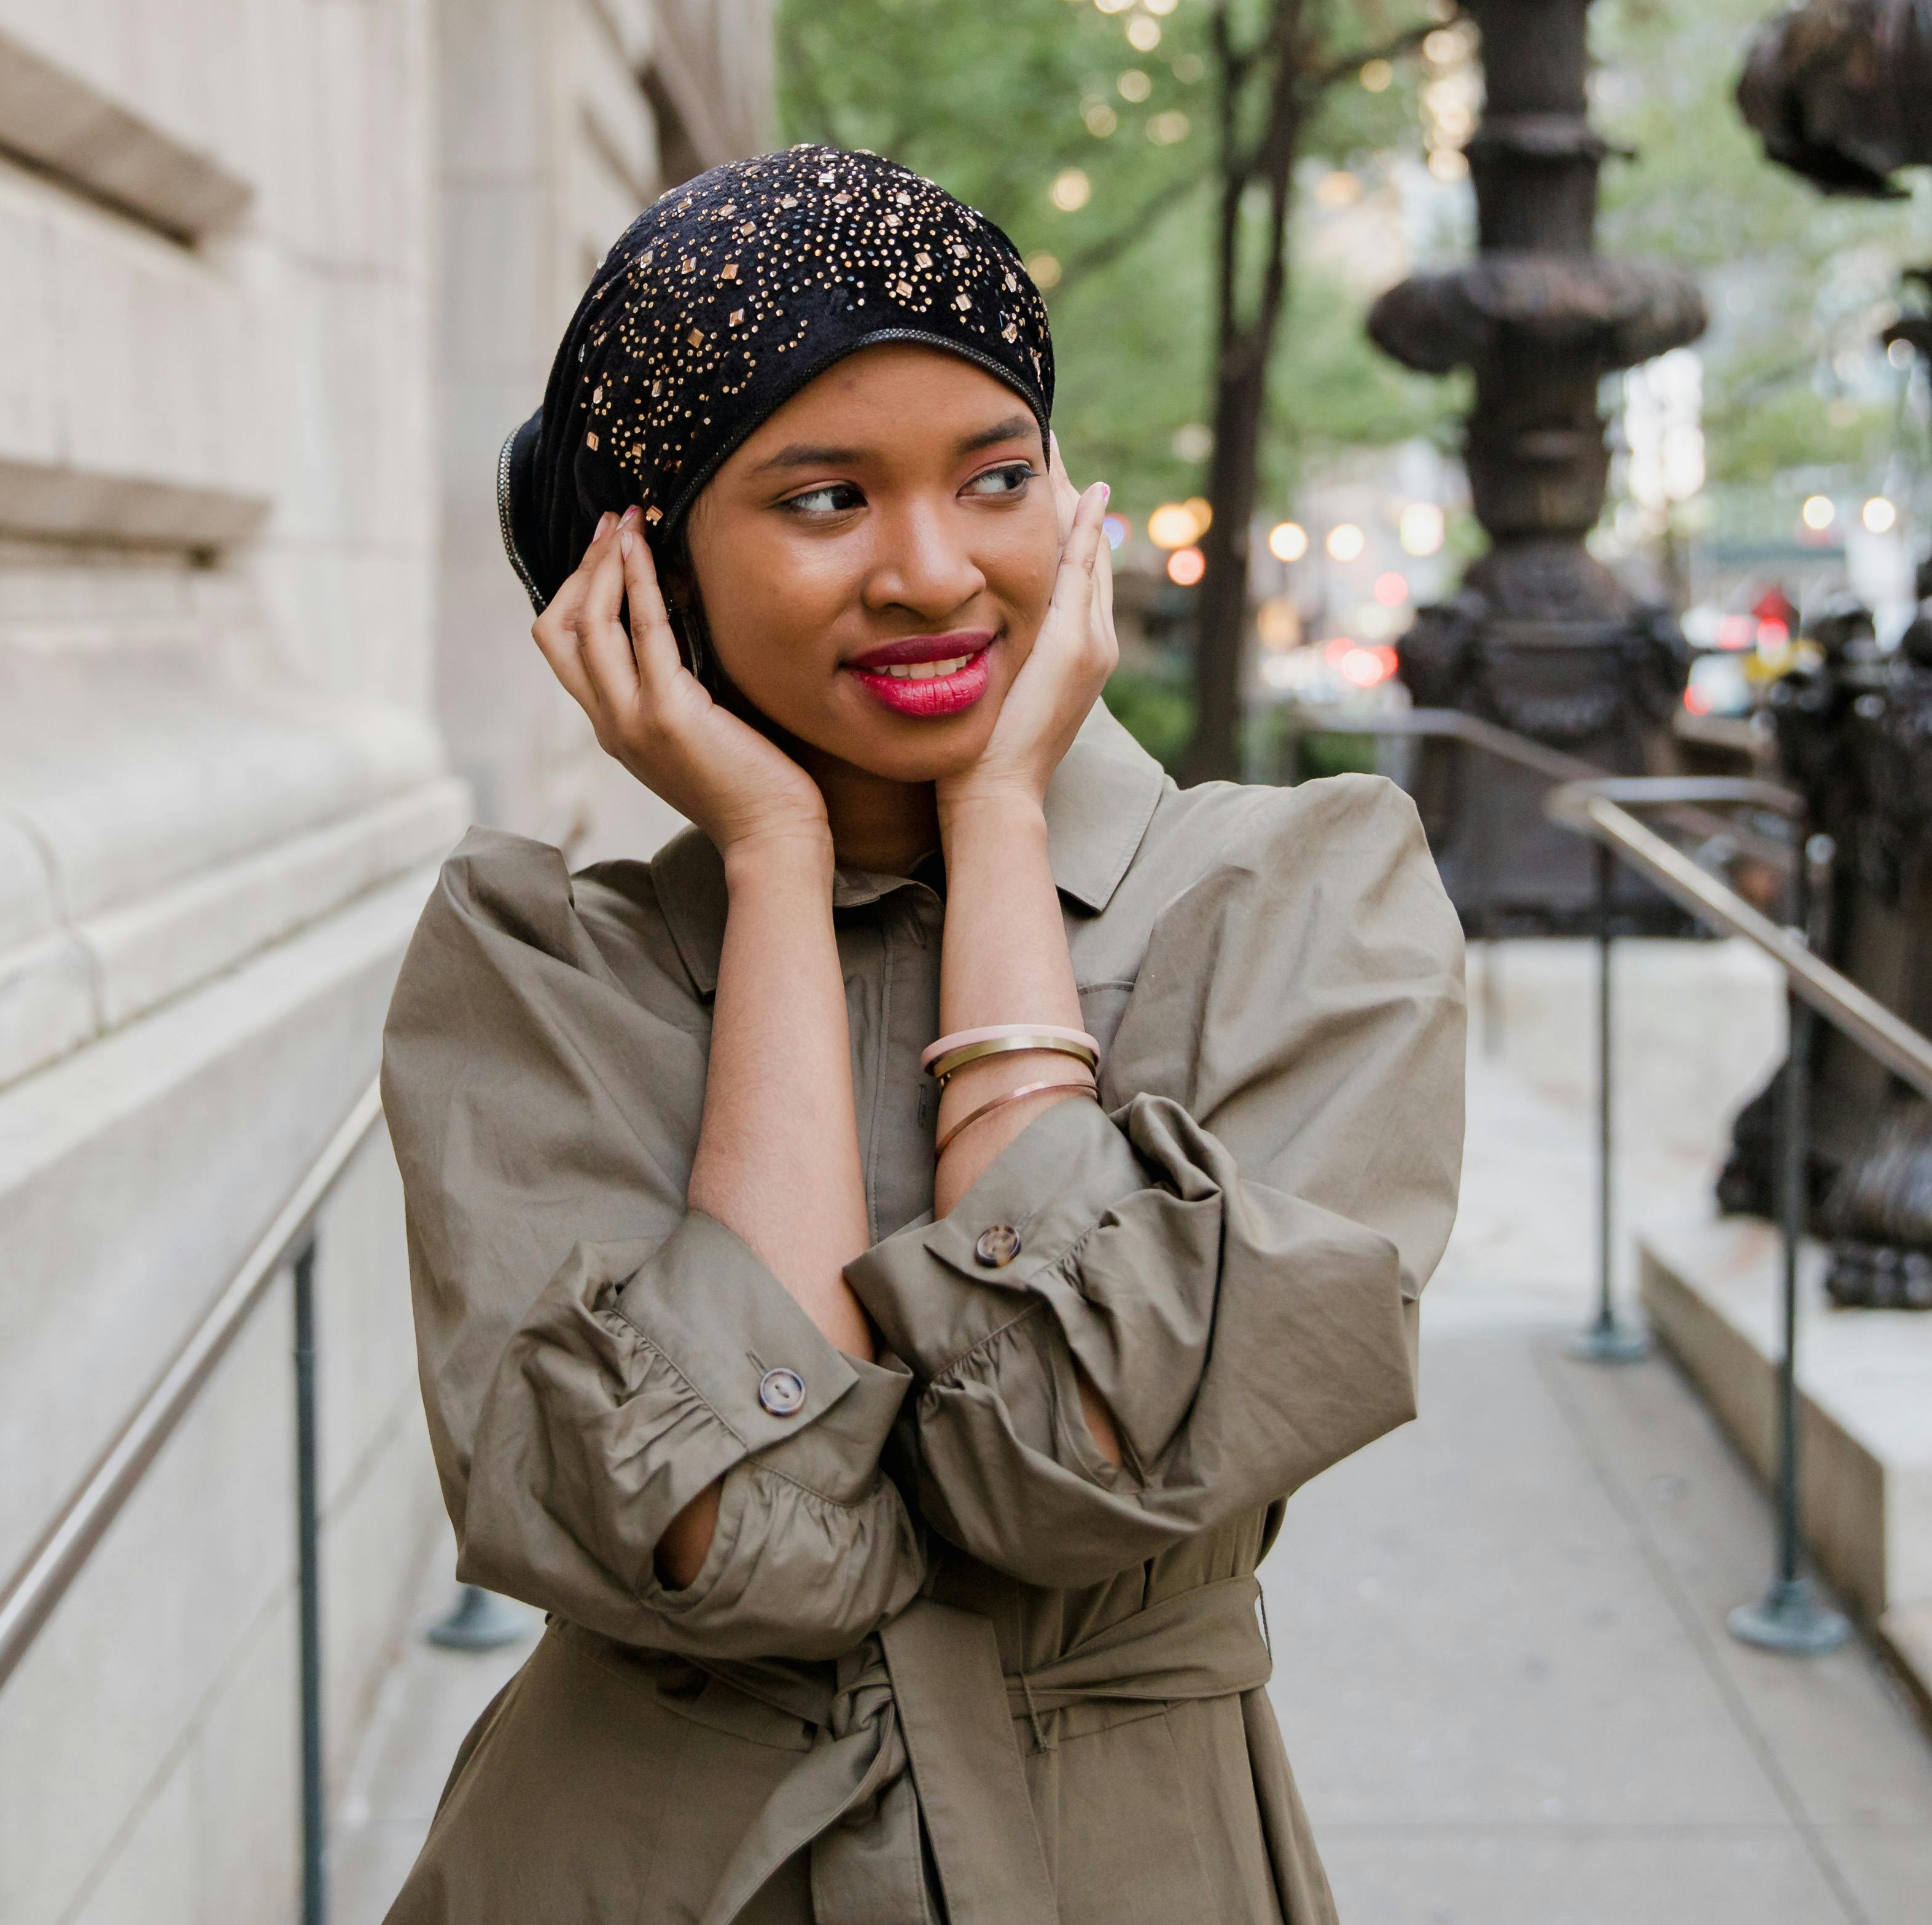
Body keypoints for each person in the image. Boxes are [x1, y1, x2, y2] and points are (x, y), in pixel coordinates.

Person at [382, 146, 1465, 1923]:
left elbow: (1069, 1463)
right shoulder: (542, 977)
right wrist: (772, 857)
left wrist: (1004, 830)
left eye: (995, 478)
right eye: (819, 498)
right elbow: (736, 1547)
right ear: (642, 569)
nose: (930, 571)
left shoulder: (1300, 902)